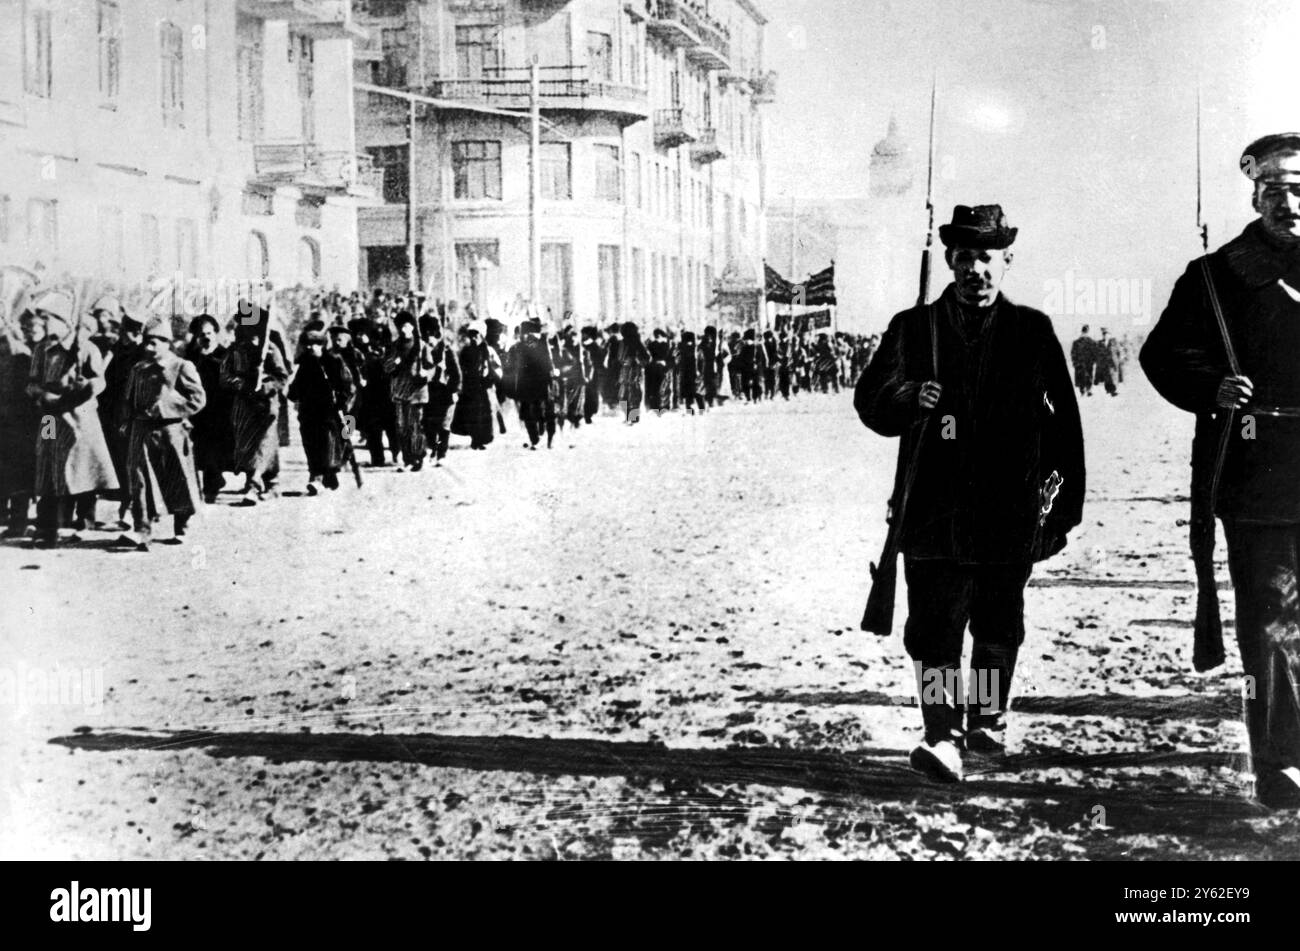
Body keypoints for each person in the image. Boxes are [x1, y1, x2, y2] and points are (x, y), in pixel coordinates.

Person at [854, 204, 1085, 783]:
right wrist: (909, 396)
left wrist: (1059, 508)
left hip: (1009, 512)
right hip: (933, 512)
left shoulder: (1032, 331)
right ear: (950, 263)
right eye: (964, 259)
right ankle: (941, 732)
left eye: (986, 258)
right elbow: (870, 402)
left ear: (1006, 262)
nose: (974, 270)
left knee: (997, 623)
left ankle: (984, 718)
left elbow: (1064, 427)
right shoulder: (913, 328)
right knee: (934, 631)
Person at [1141, 133, 1300, 809]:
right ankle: (1280, 759)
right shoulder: (1215, 275)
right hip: (1259, 473)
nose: (1290, 203)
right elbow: (1161, 355)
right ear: (1255, 195)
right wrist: (1212, 388)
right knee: (1270, 619)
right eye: (1276, 190)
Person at [26, 291, 119, 547]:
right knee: (47, 466)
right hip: (49, 418)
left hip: (80, 417)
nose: (43, 324)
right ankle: (47, 527)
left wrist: (85, 387)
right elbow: (32, 383)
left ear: (63, 320)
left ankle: (85, 519)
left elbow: (99, 381)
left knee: (82, 467)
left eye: (47, 319)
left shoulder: (86, 348)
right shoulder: (41, 350)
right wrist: (41, 394)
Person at [115, 314, 206, 551]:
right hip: (141, 430)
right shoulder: (138, 369)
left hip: (171, 432)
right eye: (147, 342)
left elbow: (197, 399)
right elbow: (128, 398)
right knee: (139, 480)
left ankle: (182, 525)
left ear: (167, 343)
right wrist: (126, 420)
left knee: (177, 478)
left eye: (155, 342)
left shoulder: (181, 366)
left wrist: (166, 406)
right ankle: (142, 530)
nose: (149, 347)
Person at [220, 305, 289, 505]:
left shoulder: (269, 349)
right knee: (250, 444)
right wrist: (241, 384)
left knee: (264, 441)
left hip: (266, 405)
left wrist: (265, 386)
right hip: (243, 404)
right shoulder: (234, 351)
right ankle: (272, 481)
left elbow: (282, 376)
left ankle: (253, 484)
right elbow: (225, 376)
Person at [288, 328, 356, 493]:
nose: (311, 348)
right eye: (308, 345)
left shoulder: (334, 361)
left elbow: (348, 385)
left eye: (315, 344)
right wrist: (294, 392)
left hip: (329, 413)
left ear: (323, 345)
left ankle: (318, 477)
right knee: (311, 445)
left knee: (327, 444)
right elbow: (294, 391)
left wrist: (341, 401)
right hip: (308, 412)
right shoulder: (305, 364)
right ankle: (323, 475)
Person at [0, 308, 44, 537]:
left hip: (45, 419)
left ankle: (49, 526)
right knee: (18, 471)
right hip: (18, 422)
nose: (29, 332)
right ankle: (19, 522)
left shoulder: (27, 353)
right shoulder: (17, 353)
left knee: (46, 464)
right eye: (26, 328)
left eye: (33, 328)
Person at [184, 315, 233, 504]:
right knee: (200, 449)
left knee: (214, 448)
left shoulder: (225, 355)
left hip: (220, 409)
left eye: (209, 333)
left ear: (216, 334)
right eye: (201, 334)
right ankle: (214, 480)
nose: (206, 337)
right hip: (198, 410)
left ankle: (211, 486)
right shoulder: (191, 356)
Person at [384, 311, 436, 471]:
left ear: (413, 327)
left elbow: (432, 367)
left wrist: (425, 374)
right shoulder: (394, 346)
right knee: (402, 427)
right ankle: (407, 459)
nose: (404, 329)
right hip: (400, 392)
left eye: (407, 326)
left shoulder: (421, 347)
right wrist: (395, 362)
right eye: (402, 327)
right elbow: (386, 368)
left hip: (417, 392)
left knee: (415, 426)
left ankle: (418, 457)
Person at [420, 315, 461, 467]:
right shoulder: (423, 352)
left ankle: (441, 454)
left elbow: (457, 374)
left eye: (432, 336)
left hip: (446, 392)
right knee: (430, 425)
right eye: (426, 336)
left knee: (444, 425)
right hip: (430, 393)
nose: (430, 340)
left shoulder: (447, 352)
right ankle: (433, 449)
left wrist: (454, 390)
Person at [451, 320, 499, 450]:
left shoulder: (487, 350)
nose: (474, 338)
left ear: (482, 335)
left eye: (476, 335)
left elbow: (495, 366)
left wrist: (490, 377)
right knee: (471, 414)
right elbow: (461, 368)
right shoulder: (466, 351)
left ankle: (482, 439)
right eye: (471, 335)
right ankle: (474, 439)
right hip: (469, 387)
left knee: (483, 413)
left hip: (483, 386)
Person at [616, 321, 649, 425]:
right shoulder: (622, 342)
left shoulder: (636, 342)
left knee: (632, 394)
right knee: (625, 394)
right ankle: (629, 416)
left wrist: (635, 360)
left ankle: (633, 417)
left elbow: (646, 358)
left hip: (633, 371)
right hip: (625, 371)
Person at [646, 328, 673, 414]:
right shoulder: (665, 345)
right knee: (663, 387)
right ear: (660, 336)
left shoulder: (651, 345)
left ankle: (653, 406)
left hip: (653, 367)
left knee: (653, 387)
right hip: (662, 367)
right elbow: (668, 356)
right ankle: (663, 406)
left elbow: (649, 354)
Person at [1070, 324, 1097, 397]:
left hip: (1080, 363)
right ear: (1087, 332)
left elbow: (1073, 354)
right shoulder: (1092, 342)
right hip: (1088, 363)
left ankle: (1083, 390)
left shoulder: (1076, 342)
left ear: (1082, 331)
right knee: (1088, 375)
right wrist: (1093, 361)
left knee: (1081, 376)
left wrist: (1075, 362)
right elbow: (1095, 353)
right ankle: (1088, 390)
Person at [1095, 328, 1119, 396]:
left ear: (1109, 334)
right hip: (1104, 364)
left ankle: (1113, 391)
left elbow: (1118, 351)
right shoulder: (1099, 343)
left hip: (1112, 363)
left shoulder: (1114, 342)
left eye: (1106, 334)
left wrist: (1117, 360)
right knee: (1107, 378)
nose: (1105, 335)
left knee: (1113, 377)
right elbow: (1097, 353)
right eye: (1104, 334)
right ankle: (1109, 390)